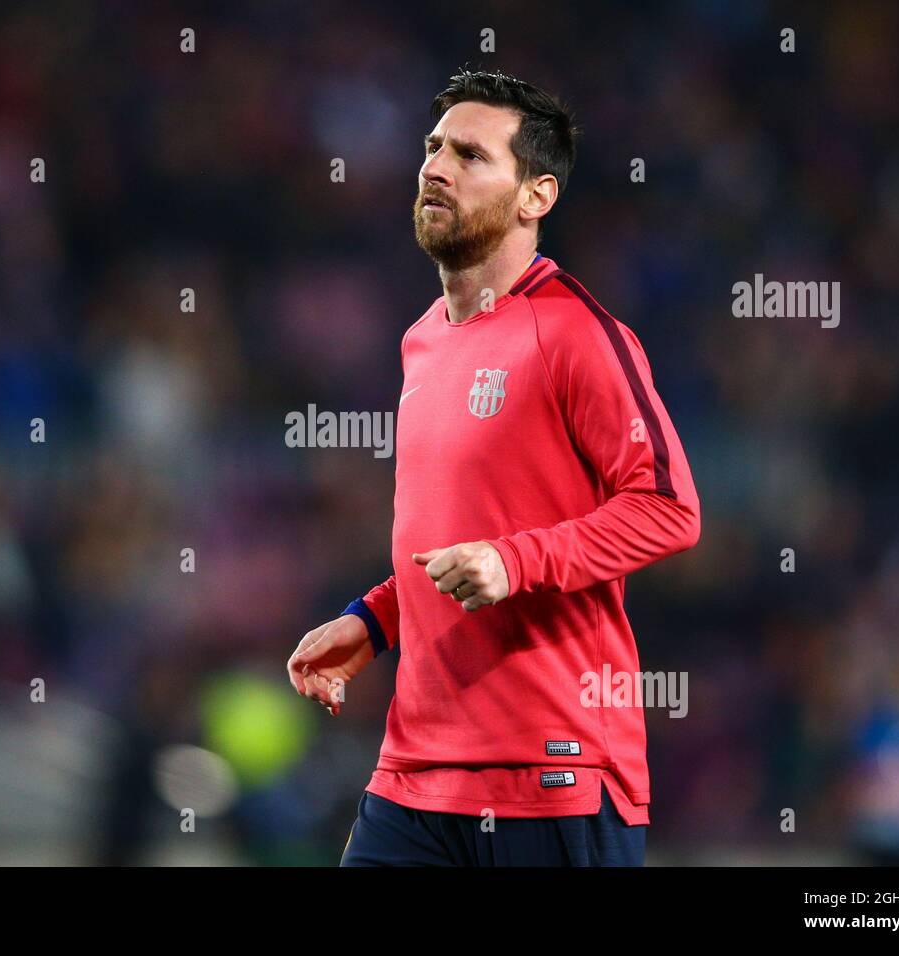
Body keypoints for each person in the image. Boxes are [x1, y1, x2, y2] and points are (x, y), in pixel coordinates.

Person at [286, 69, 702, 866]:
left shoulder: (576, 334)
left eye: (471, 155)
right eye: (434, 146)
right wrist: (374, 623)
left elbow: (669, 509)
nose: (435, 166)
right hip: (411, 781)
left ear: (534, 196)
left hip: (553, 771)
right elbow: (459, 539)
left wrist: (514, 563)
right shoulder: (421, 341)